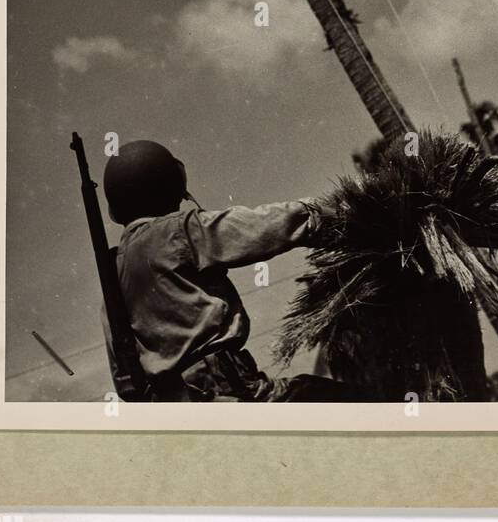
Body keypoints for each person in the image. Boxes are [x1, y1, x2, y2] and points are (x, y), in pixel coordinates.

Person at [101, 138, 353, 402]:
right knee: (356, 403)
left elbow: (124, 380)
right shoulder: (176, 232)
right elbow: (261, 226)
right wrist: (332, 215)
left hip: (177, 416)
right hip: (231, 391)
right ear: (166, 185)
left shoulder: (112, 284)